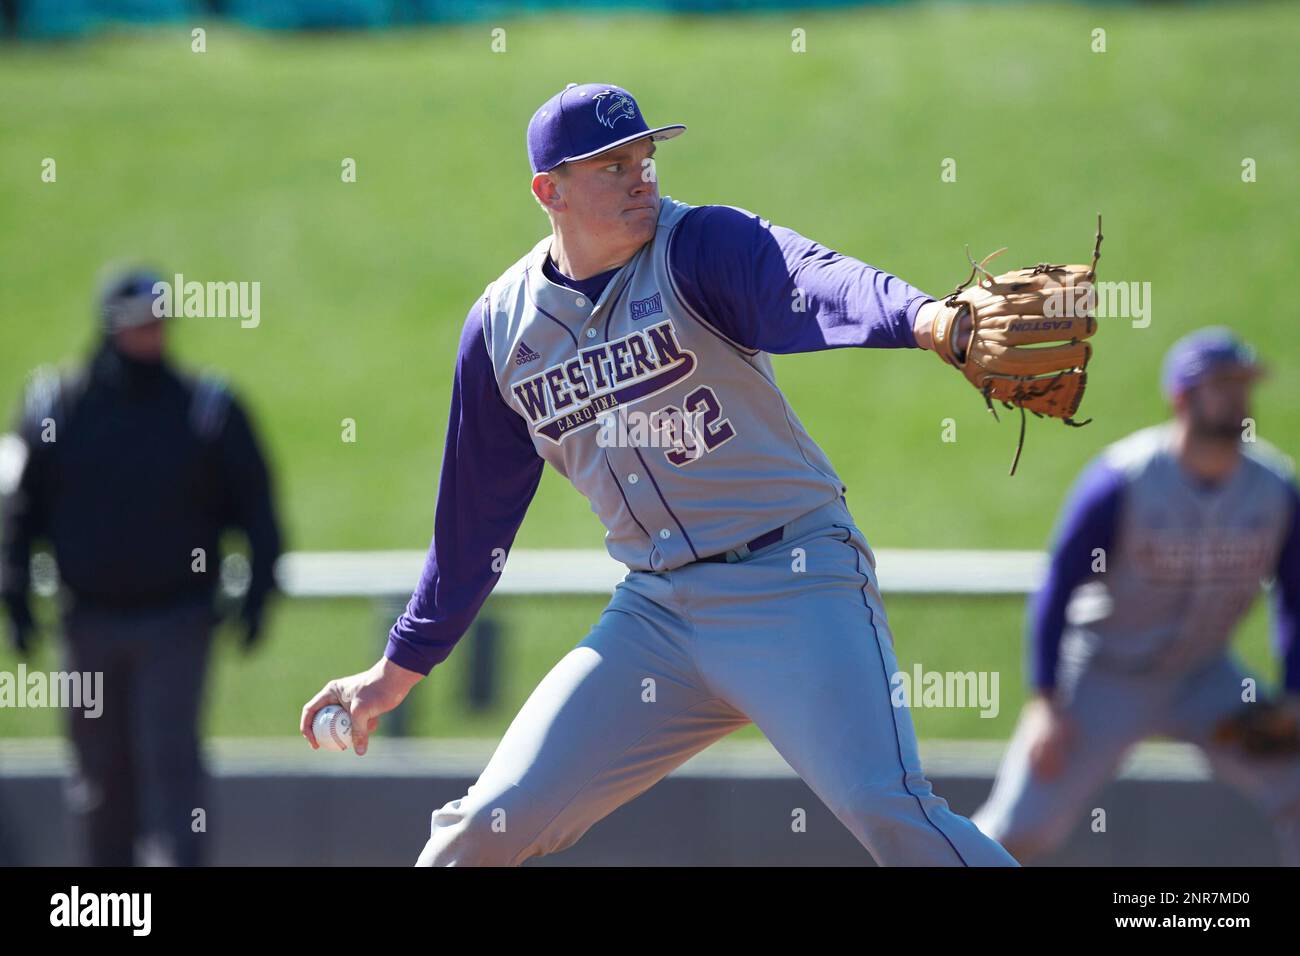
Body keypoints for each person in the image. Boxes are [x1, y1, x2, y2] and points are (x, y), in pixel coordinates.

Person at [301, 82, 1025, 866]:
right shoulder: (502, 330)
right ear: (550, 190)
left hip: (793, 581)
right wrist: (397, 671)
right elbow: (473, 528)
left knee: (892, 813)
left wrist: (925, 321)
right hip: (656, 616)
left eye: (645, 156)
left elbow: (813, 280)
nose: (641, 175)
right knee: (482, 830)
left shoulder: (699, 247)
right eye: (611, 164)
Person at [972, 328, 1300, 864]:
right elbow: (1058, 585)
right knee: (1018, 828)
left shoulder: (1274, 487)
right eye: (1223, 384)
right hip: (1102, 676)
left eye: (1243, 385)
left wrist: (1294, 696)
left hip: (1205, 677)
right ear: (1182, 396)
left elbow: (1296, 593)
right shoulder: (1124, 480)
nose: (1239, 398)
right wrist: (1046, 701)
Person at [1, 267, 284, 866]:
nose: (151, 337)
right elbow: (22, 512)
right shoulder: (59, 406)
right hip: (88, 621)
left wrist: (258, 592)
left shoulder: (204, 409)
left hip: (175, 621)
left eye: (159, 324)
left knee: (172, 764)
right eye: (139, 326)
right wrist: (17, 597)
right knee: (99, 775)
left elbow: (256, 510)